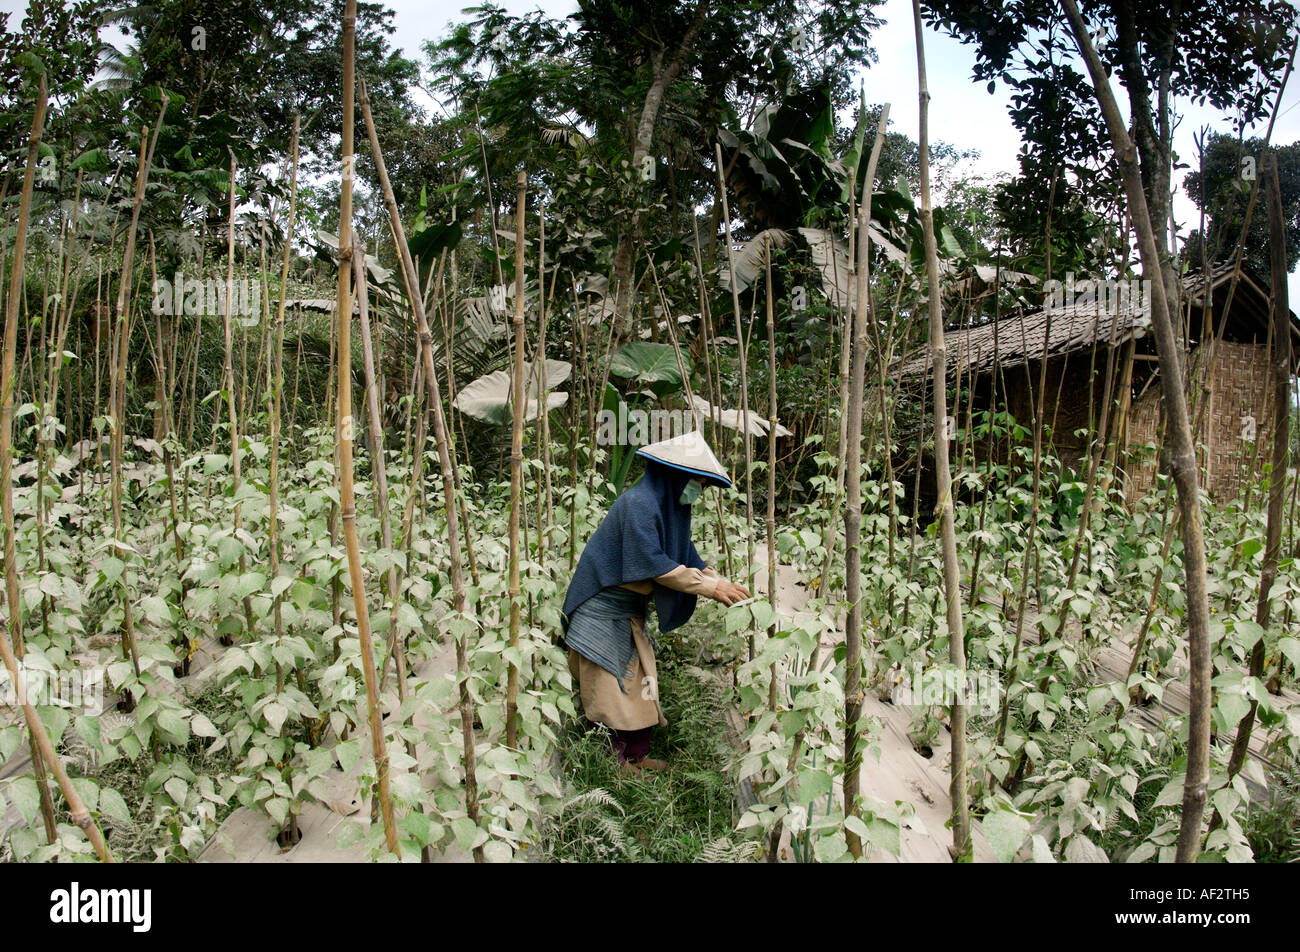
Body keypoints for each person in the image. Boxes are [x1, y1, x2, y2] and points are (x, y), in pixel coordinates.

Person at [561, 430, 750, 772]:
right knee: (612, 691)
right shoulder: (638, 504)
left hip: (628, 612)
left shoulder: (670, 509)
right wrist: (710, 588)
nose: (699, 491)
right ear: (675, 476)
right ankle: (614, 763)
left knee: (642, 683)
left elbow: (686, 557)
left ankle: (636, 755)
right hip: (600, 611)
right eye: (697, 483)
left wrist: (717, 579)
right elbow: (653, 563)